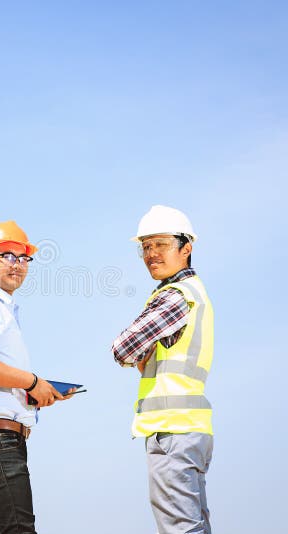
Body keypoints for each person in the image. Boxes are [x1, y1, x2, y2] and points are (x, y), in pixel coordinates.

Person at [0, 220, 72, 534]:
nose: (16, 264)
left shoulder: (2, 309)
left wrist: (35, 393)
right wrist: (32, 382)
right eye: (7, 256)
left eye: (23, 258)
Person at [111, 205, 215, 534]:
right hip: (191, 431)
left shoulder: (175, 296)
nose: (152, 254)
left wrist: (138, 354)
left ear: (186, 248)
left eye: (161, 244)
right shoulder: (196, 293)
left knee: (180, 529)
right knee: (194, 526)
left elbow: (123, 348)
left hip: (172, 431)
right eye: (146, 246)